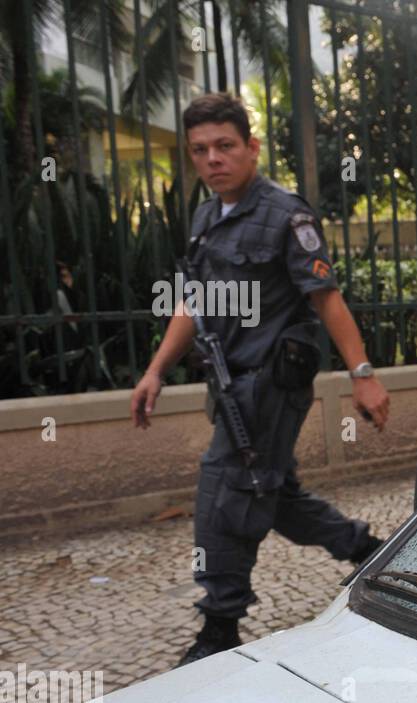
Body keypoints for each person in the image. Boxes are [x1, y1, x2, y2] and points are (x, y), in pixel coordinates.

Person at [129, 92, 392, 666]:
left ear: (251, 147)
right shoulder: (205, 217)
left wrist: (363, 375)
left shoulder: (284, 214)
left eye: (225, 146)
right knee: (272, 493)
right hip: (227, 384)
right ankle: (369, 550)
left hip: (271, 382)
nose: (212, 159)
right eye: (200, 150)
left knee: (227, 491)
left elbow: (326, 297)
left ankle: (220, 628)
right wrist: (155, 370)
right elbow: (192, 302)